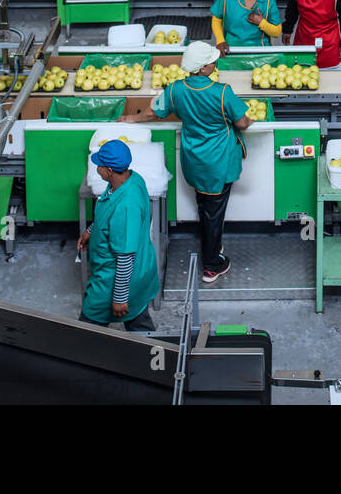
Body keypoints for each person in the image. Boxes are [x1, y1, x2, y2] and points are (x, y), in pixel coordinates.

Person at [146, 41, 252, 283]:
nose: (215, 64)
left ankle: (213, 246)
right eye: (211, 62)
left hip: (194, 161)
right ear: (202, 69)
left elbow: (155, 112)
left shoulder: (175, 90)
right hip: (218, 163)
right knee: (214, 213)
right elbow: (243, 122)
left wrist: (130, 118)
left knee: (204, 205)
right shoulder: (222, 92)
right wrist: (250, 119)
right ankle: (212, 265)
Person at [76, 139, 159, 331]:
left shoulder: (126, 205)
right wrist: (91, 231)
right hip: (141, 271)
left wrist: (120, 297)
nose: (97, 167)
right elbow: (109, 213)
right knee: (139, 321)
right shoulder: (131, 180)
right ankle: (154, 355)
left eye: (99, 165)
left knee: (88, 327)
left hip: (114, 279)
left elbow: (125, 257)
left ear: (109, 171)